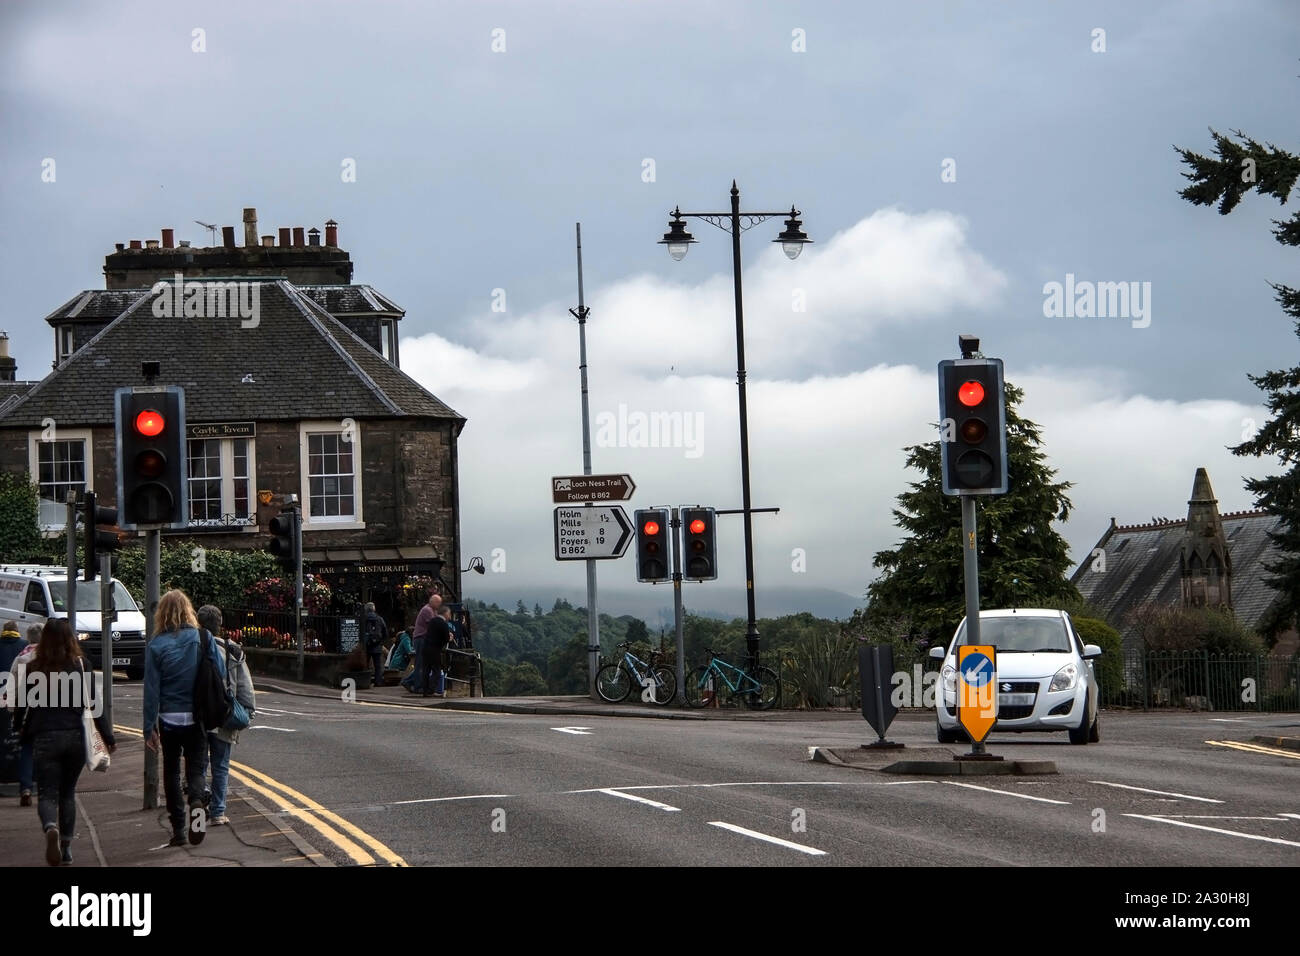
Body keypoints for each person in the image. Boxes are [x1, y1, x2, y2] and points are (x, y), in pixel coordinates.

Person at [19, 618, 115, 866]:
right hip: (75, 737)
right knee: (68, 794)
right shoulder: (81, 665)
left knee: (48, 794)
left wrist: (19, 727)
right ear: (70, 638)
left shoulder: (33, 667)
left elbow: (21, 706)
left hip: (45, 736)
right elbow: (95, 706)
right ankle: (67, 847)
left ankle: (50, 827)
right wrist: (108, 737)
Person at [143, 589, 225, 848]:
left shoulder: (156, 645)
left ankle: (179, 829)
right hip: (197, 716)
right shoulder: (203, 637)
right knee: (197, 768)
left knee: (171, 772)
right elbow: (220, 671)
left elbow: (151, 690)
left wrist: (149, 727)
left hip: (168, 719)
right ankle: (198, 803)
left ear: (162, 614)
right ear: (188, 610)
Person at [196, 605, 256, 827]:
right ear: (219, 624)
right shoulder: (232, 649)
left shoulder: (193, 646)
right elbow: (245, 686)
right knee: (220, 765)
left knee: (199, 764)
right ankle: (218, 813)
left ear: (198, 622)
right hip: (224, 714)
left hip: (200, 714)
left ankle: (198, 802)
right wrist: (248, 711)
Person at [8, 626, 40, 806]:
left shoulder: (21, 659)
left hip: (27, 712)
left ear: (28, 639)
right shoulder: (50, 657)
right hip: (49, 714)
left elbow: (12, 687)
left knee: (26, 750)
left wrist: (13, 713)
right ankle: (46, 787)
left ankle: (26, 787)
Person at [405, 592, 441, 694]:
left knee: (423, 664)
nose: (439, 605)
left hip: (423, 639)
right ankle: (417, 686)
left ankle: (408, 681)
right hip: (421, 639)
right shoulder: (427, 610)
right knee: (420, 664)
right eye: (438, 602)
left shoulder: (433, 610)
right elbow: (434, 625)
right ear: (433, 602)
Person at [424, 603, 453, 697]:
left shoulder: (432, 621)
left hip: (426, 648)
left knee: (426, 670)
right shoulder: (443, 623)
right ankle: (430, 690)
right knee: (436, 671)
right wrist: (450, 638)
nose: (450, 616)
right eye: (449, 614)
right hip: (435, 650)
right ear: (445, 613)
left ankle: (425, 690)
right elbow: (445, 639)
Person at [363, 602, 388, 686]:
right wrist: (380, 641)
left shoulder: (363, 619)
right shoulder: (380, 619)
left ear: (366, 609)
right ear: (374, 609)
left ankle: (365, 681)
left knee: (365, 664)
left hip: (366, 645)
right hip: (377, 645)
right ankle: (378, 682)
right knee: (378, 665)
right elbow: (385, 632)